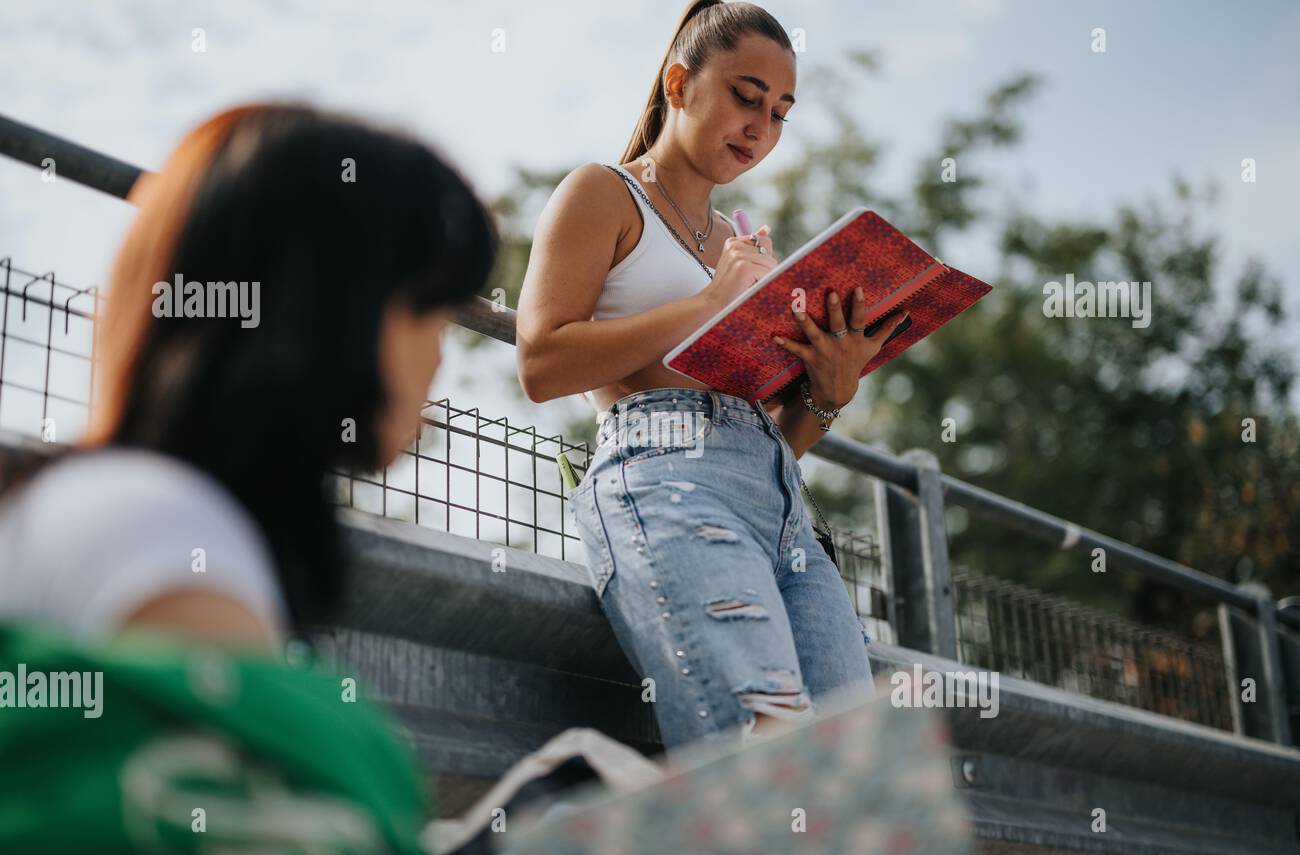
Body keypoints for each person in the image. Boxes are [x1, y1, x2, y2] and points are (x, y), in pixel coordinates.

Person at [515, 0, 906, 750]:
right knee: (765, 749)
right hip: (664, 479)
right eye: (746, 96)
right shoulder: (601, 192)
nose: (761, 126)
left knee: (849, 770)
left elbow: (770, 439)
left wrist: (827, 396)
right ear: (679, 84)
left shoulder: (745, 242)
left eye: (782, 112)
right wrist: (709, 300)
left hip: (783, 507)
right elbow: (540, 361)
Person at [0, 103, 498, 652]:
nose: (438, 359)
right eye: (426, 314)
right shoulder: (167, 539)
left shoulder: (131, 512)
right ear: (325, 310)